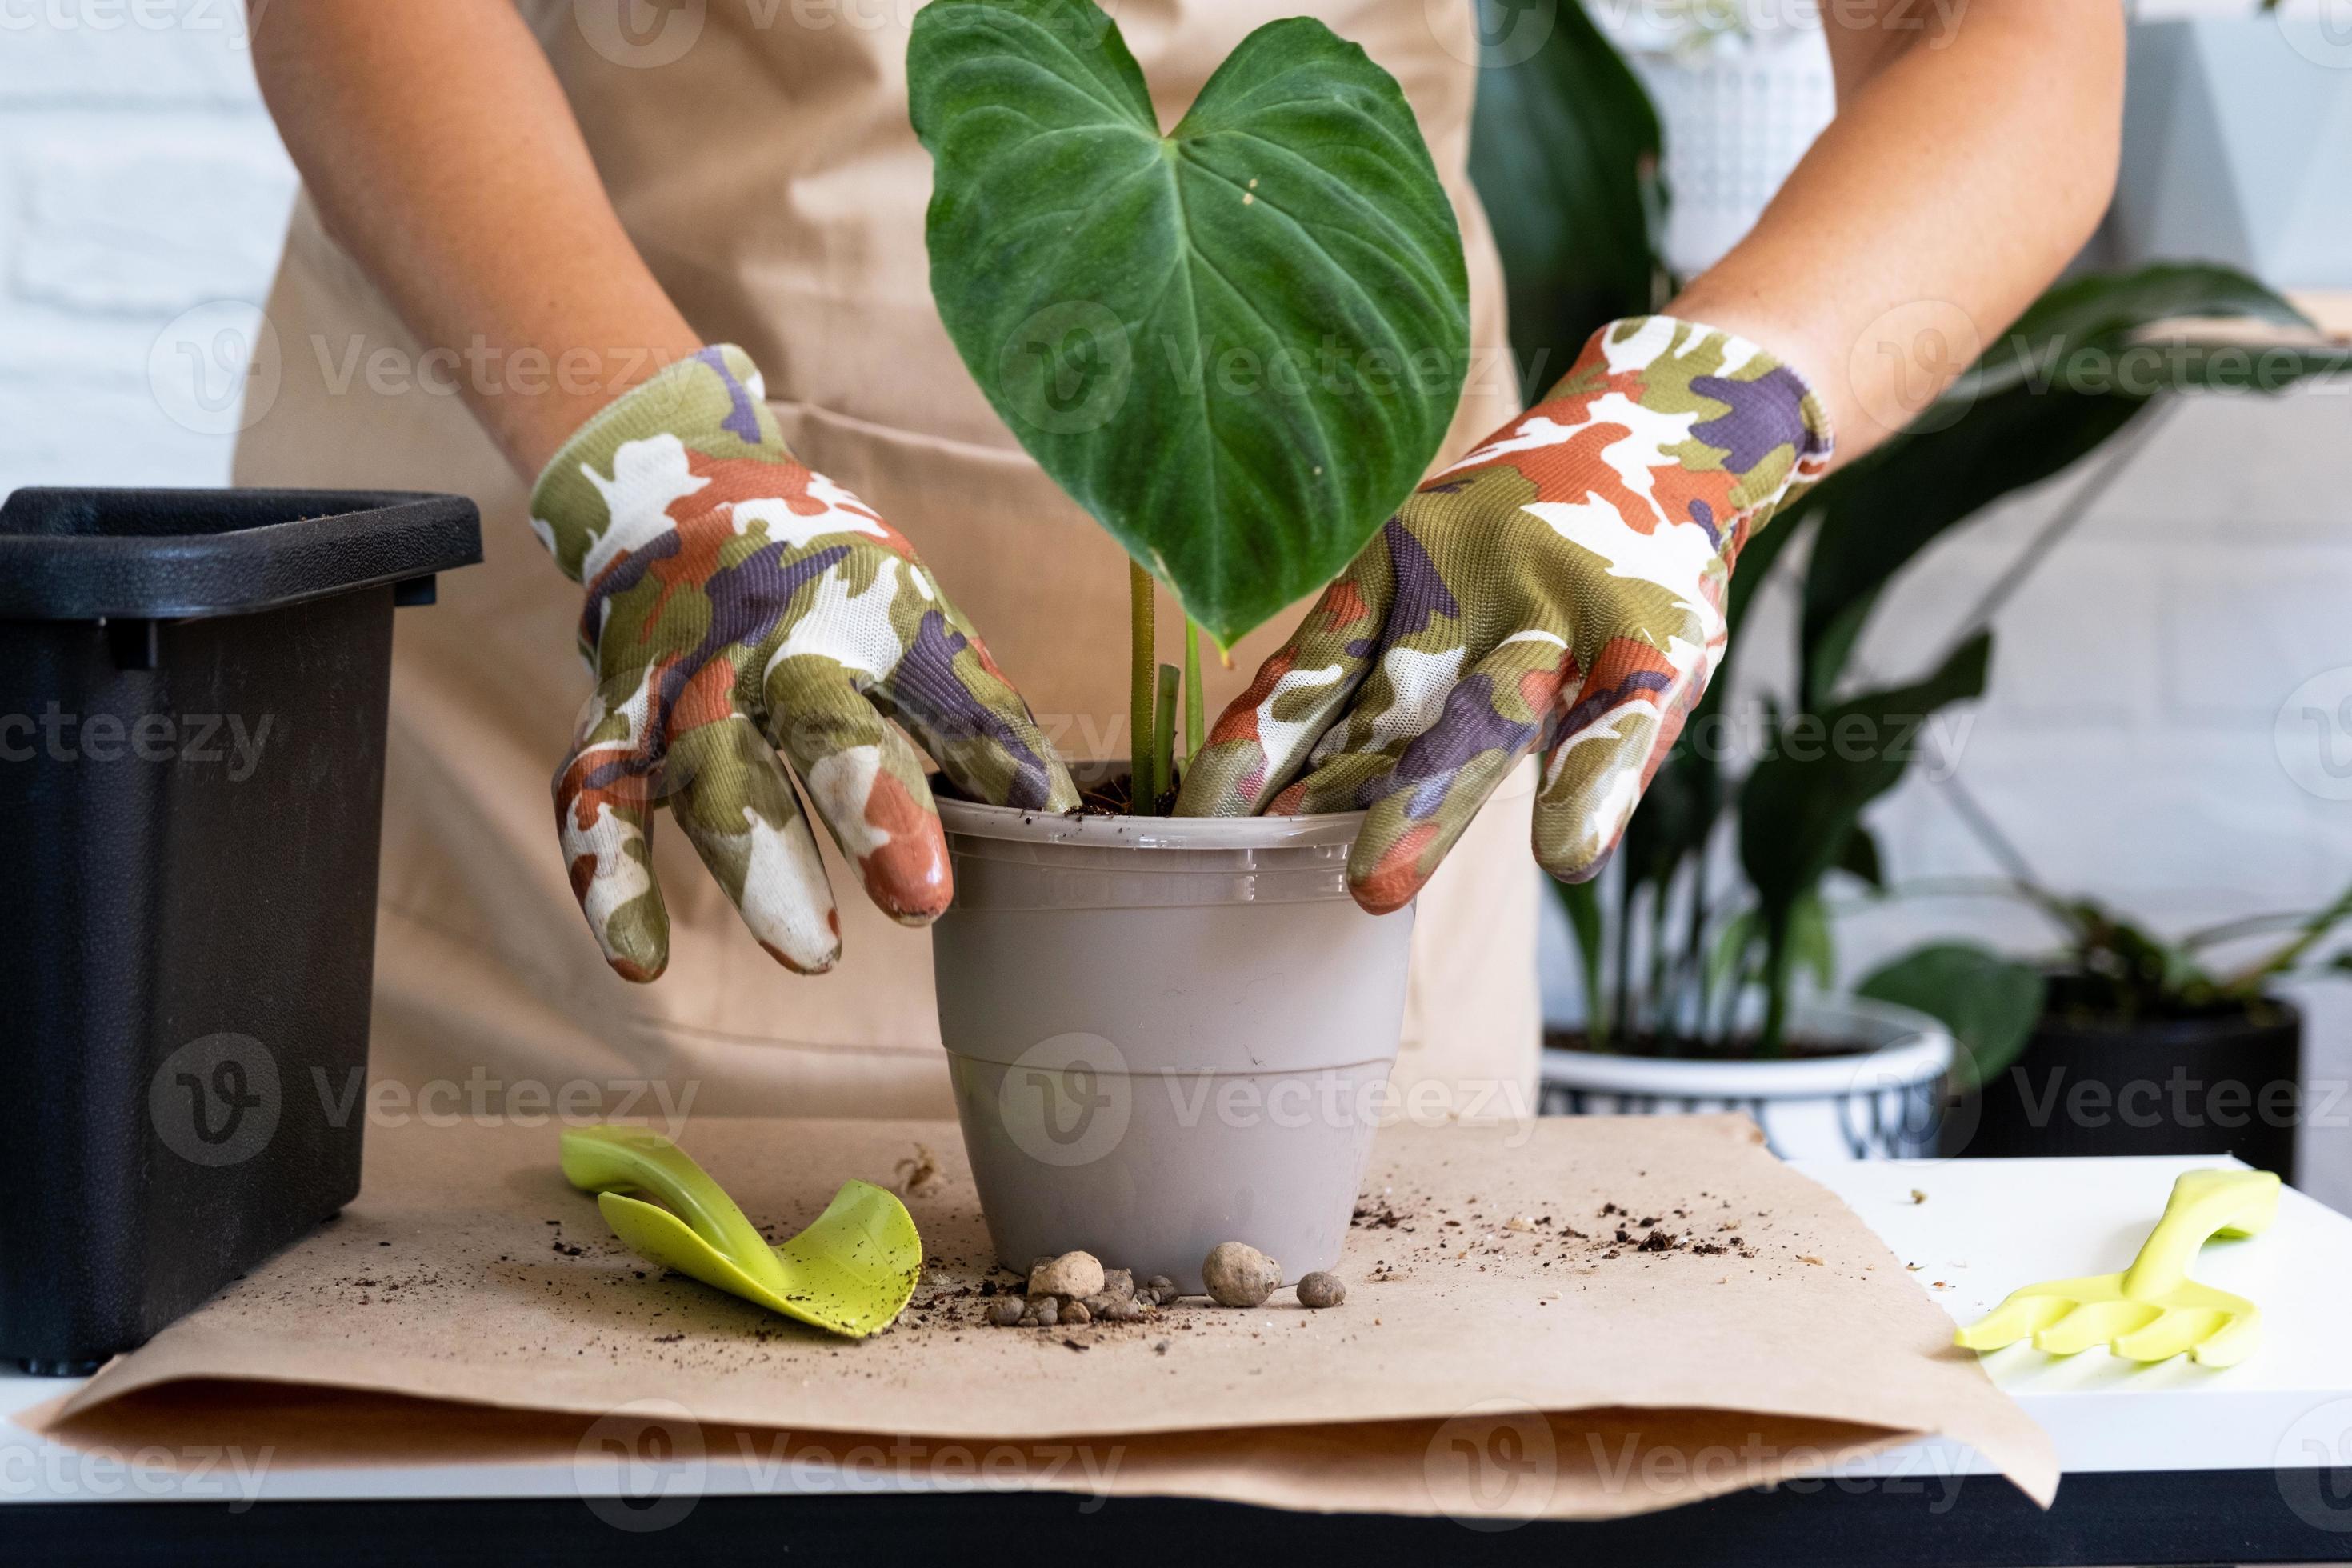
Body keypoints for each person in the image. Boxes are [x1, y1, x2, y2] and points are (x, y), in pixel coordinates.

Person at [238, 0, 2124, 1118]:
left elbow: (2009, 40)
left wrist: (1674, 439)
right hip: (607, 630)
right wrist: (648, 468)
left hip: (1349, 765)